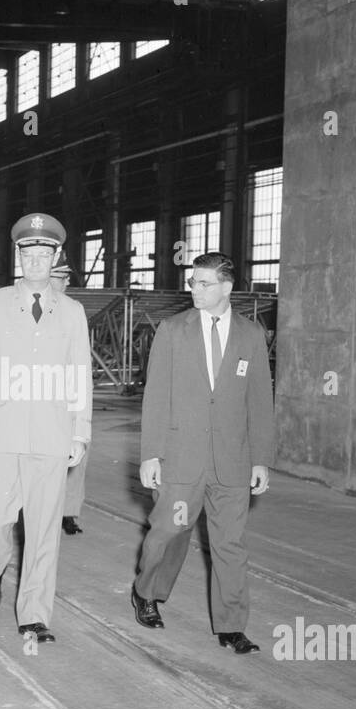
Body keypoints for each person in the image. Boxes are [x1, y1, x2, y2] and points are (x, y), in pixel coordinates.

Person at [0, 213, 92, 645]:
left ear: (55, 257)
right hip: (1, 432)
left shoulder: (71, 312)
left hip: (51, 435)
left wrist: (79, 431)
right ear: (18, 256)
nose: (35, 260)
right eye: (27, 252)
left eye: (43, 253)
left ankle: (33, 615)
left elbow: (79, 375)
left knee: (44, 528)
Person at [131, 252, 275, 655]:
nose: (194, 289)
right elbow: (156, 396)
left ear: (227, 288)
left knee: (230, 543)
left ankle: (231, 625)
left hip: (232, 460)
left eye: (204, 283)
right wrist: (151, 454)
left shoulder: (251, 335)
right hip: (181, 457)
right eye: (193, 282)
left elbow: (260, 400)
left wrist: (261, 458)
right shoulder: (173, 330)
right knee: (168, 531)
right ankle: (147, 591)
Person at [51, 261, 88, 536]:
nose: (66, 283)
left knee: (76, 457)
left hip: (70, 393)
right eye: (61, 277)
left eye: (65, 278)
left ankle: (68, 513)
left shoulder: (75, 311)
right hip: (40, 395)